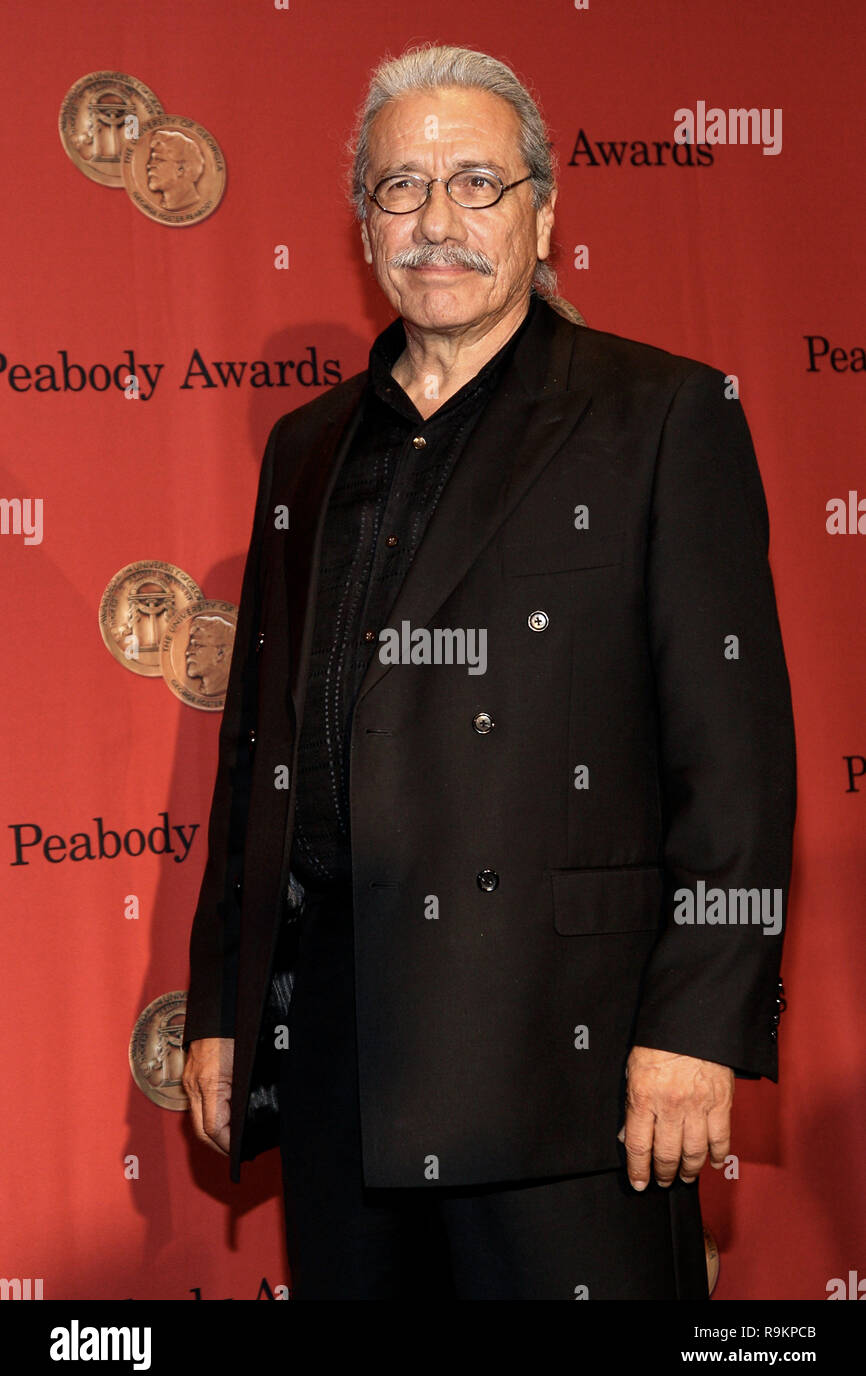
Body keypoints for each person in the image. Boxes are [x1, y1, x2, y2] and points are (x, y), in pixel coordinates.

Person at [182, 43, 796, 1300]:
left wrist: (692, 1024)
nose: (436, 220)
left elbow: (730, 751)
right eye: (400, 188)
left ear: (543, 211)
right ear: (362, 225)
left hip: (566, 1061)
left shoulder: (658, 415)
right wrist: (226, 998)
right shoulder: (306, 451)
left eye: (475, 182)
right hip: (342, 1049)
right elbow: (259, 750)